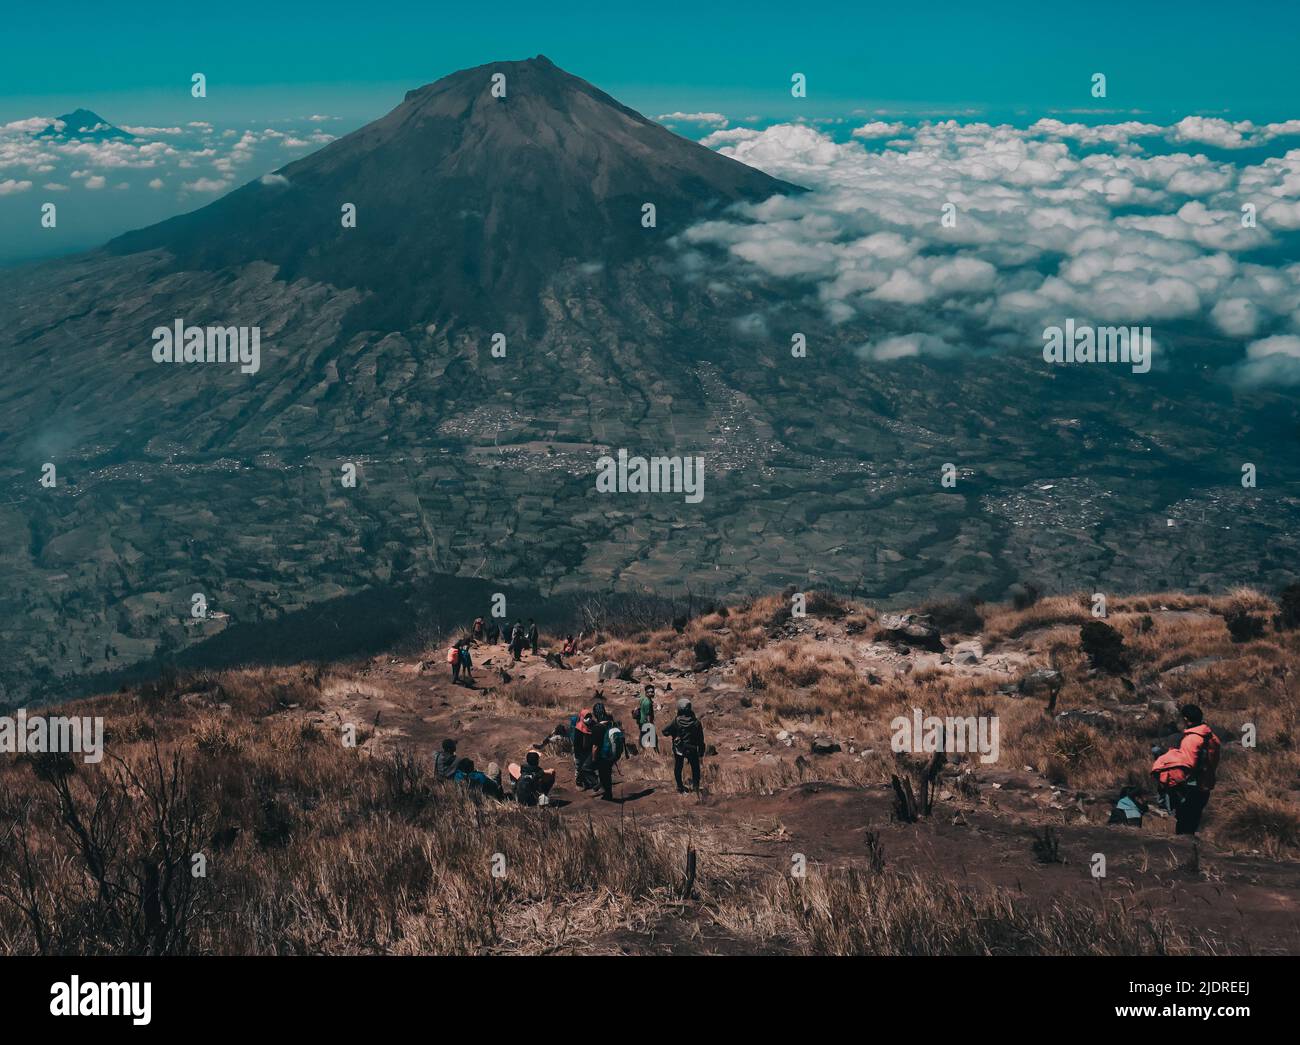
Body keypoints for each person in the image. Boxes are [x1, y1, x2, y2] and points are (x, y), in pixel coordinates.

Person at [1172, 703, 1220, 835]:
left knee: (1183, 825)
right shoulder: (1213, 738)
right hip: (1206, 785)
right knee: (1194, 821)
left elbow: (1186, 766)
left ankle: (1183, 852)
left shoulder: (1191, 739)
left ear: (1186, 719)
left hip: (1190, 788)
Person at [663, 698, 705, 794]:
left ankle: (680, 787)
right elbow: (700, 739)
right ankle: (696, 788)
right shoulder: (696, 722)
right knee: (695, 768)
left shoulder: (676, 721)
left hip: (679, 748)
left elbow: (664, 731)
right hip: (692, 748)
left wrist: (674, 735)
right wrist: (701, 751)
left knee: (678, 767)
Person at [590, 703, 623, 801]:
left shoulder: (597, 728)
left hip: (603, 755)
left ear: (595, 714)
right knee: (607, 774)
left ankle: (607, 795)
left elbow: (595, 746)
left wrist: (593, 758)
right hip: (613, 754)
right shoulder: (612, 723)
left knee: (603, 774)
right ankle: (607, 793)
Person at [634, 684, 656, 752]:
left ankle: (641, 747)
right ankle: (645, 750)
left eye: (653, 691)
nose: (652, 693)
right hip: (645, 721)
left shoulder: (643, 698)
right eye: (650, 692)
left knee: (642, 734)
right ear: (646, 693)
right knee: (646, 735)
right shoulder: (648, 702)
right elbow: (648, 714)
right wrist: (650, 724)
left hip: (641, 720)